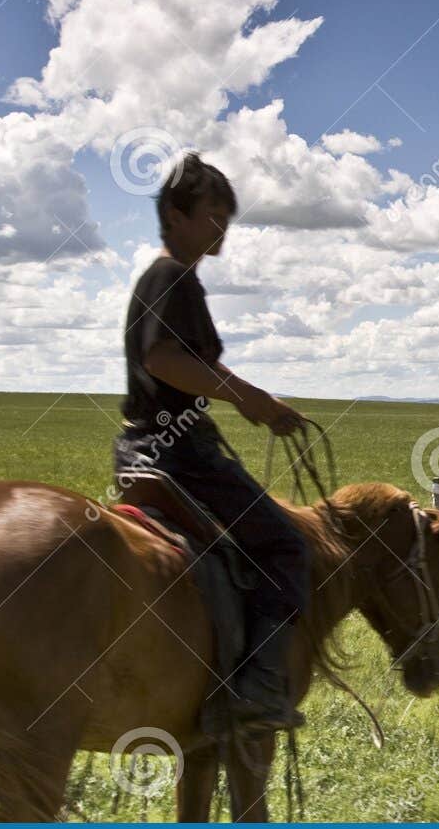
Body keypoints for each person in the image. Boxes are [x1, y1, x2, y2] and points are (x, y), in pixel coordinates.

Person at [113, 152, 310, 736]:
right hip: (180, 454)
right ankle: (258, 689)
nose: (222, 229)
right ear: (175, 214)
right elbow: (163, 359)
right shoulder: (171, 277)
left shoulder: (168, 279)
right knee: (283, 548)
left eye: (228, 217)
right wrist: (250, 397)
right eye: (212, 215)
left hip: (141, 448)